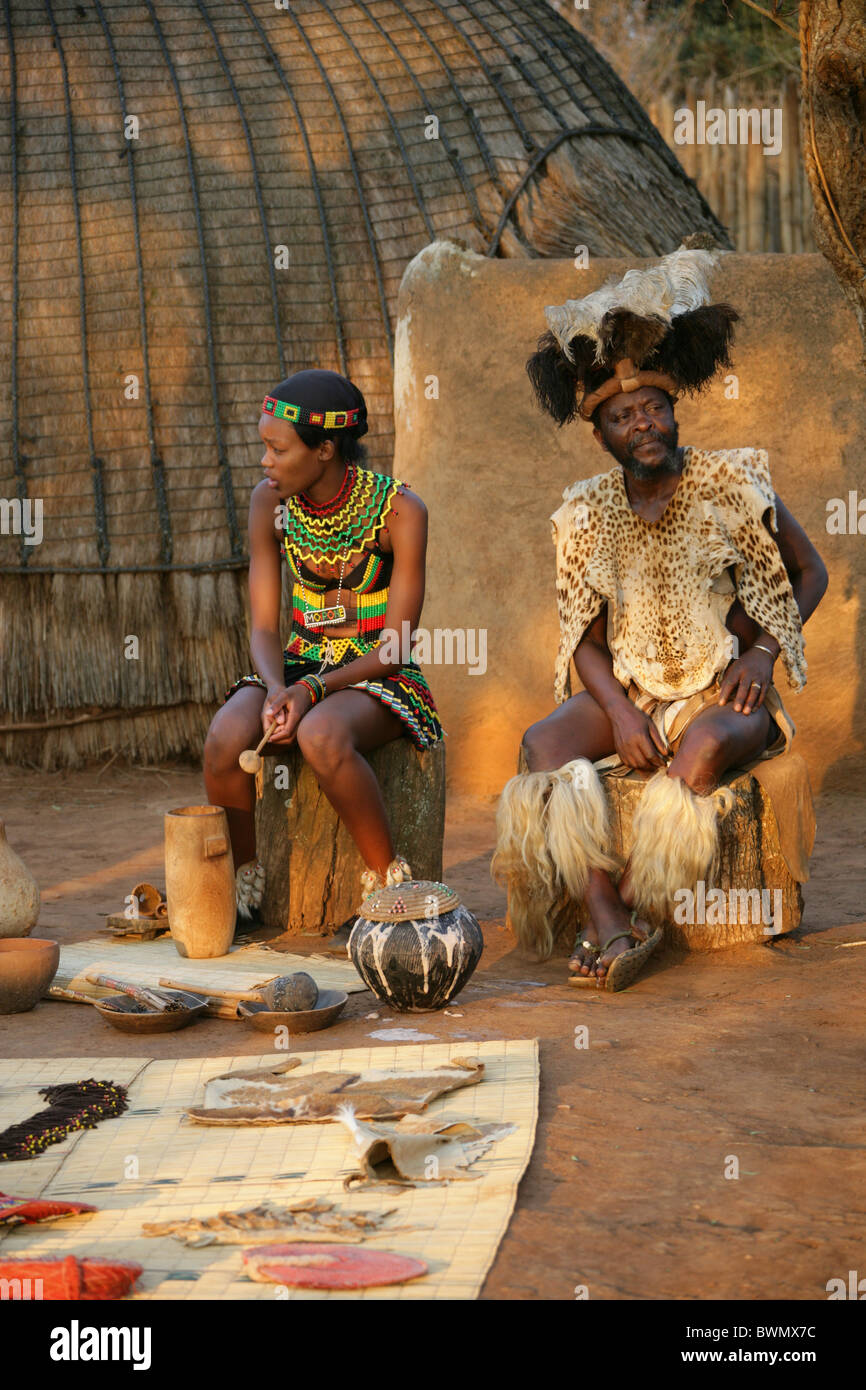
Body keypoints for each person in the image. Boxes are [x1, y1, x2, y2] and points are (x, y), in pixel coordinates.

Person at [492, 241, 827, 990]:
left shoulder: (731, 481)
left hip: (722, 688)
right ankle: (604, 911)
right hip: (634, 688)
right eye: (623, 416)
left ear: (673, 412)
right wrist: (618, 711)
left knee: (700, 753)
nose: (642, 424)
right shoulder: (586, 511)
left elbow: (811, 573)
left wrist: (763, 653)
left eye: (653, 409)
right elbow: (582, 640)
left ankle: (639, 908)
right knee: (544, 746)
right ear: (601, 433)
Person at [204, 369, 444, 925]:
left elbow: (396, 646)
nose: (265, 461)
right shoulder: (269, 505)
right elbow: (264, 628)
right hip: (297, 665)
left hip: (378, 673)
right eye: (264, 447)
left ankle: (390, 887)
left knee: (321, 734)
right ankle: (243, 885)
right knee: (225, 736)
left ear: (325, 449)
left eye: (277, 449)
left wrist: (313, 690)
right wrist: (276, 688)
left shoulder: (400, 511)